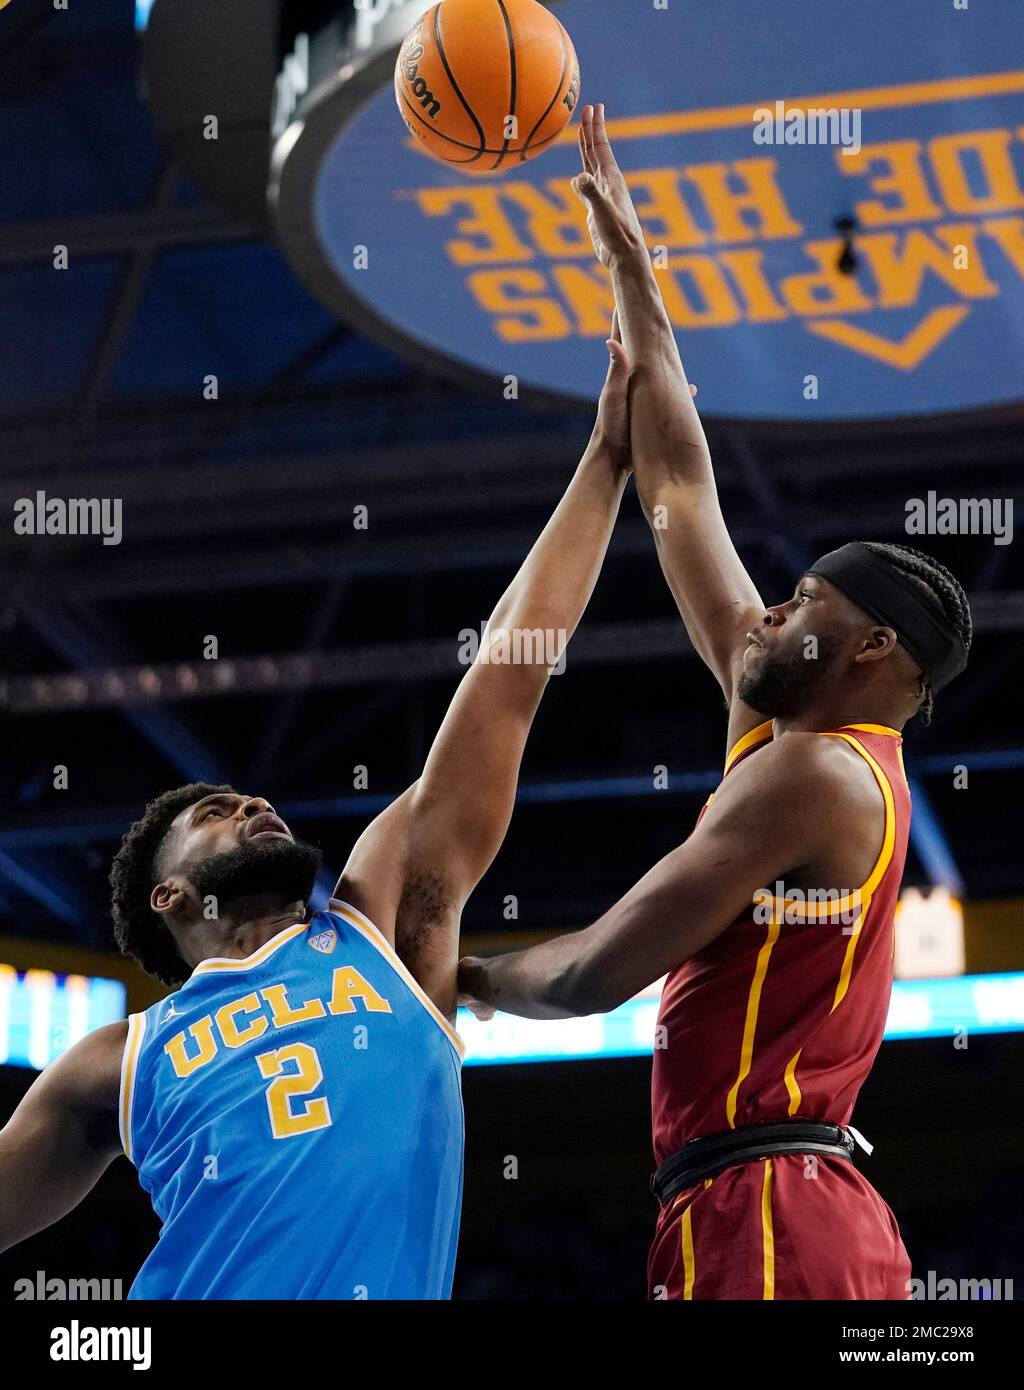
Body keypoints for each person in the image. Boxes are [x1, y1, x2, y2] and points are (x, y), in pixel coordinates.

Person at [458, 104, 972, 1300]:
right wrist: (634, 275)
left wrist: (462, 975)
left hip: (768, 1213)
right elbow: (681, 486)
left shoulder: (813, 778)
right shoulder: (805, 742)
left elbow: (596, 972)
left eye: (799, 606)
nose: (768, 617)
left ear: (871, 648)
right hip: (793, 1207)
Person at [0, 331, 635, 1300]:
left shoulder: (381, 930)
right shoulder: (117, 1058)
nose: (253, 801)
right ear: (171, 893)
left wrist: (604, 461)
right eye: (213, 811)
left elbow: (505, 679)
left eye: (248, 797)